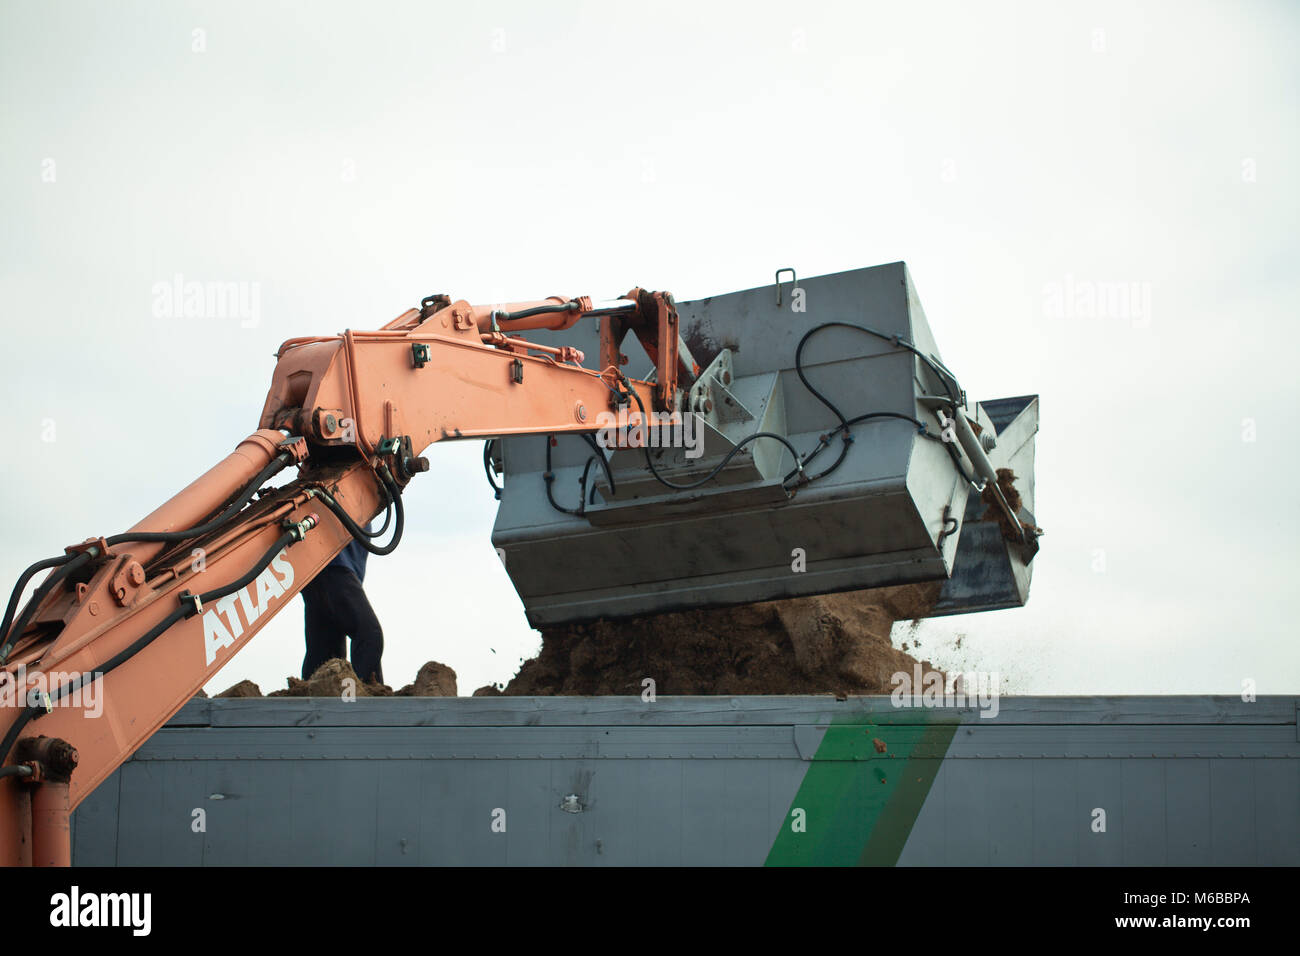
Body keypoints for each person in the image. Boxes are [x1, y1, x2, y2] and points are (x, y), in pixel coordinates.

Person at [300, 527, 384, 684]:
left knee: (326, 654)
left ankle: (315, 702)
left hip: (316, 569)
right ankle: (356, 700)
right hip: (333, 563)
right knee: (369, 635)